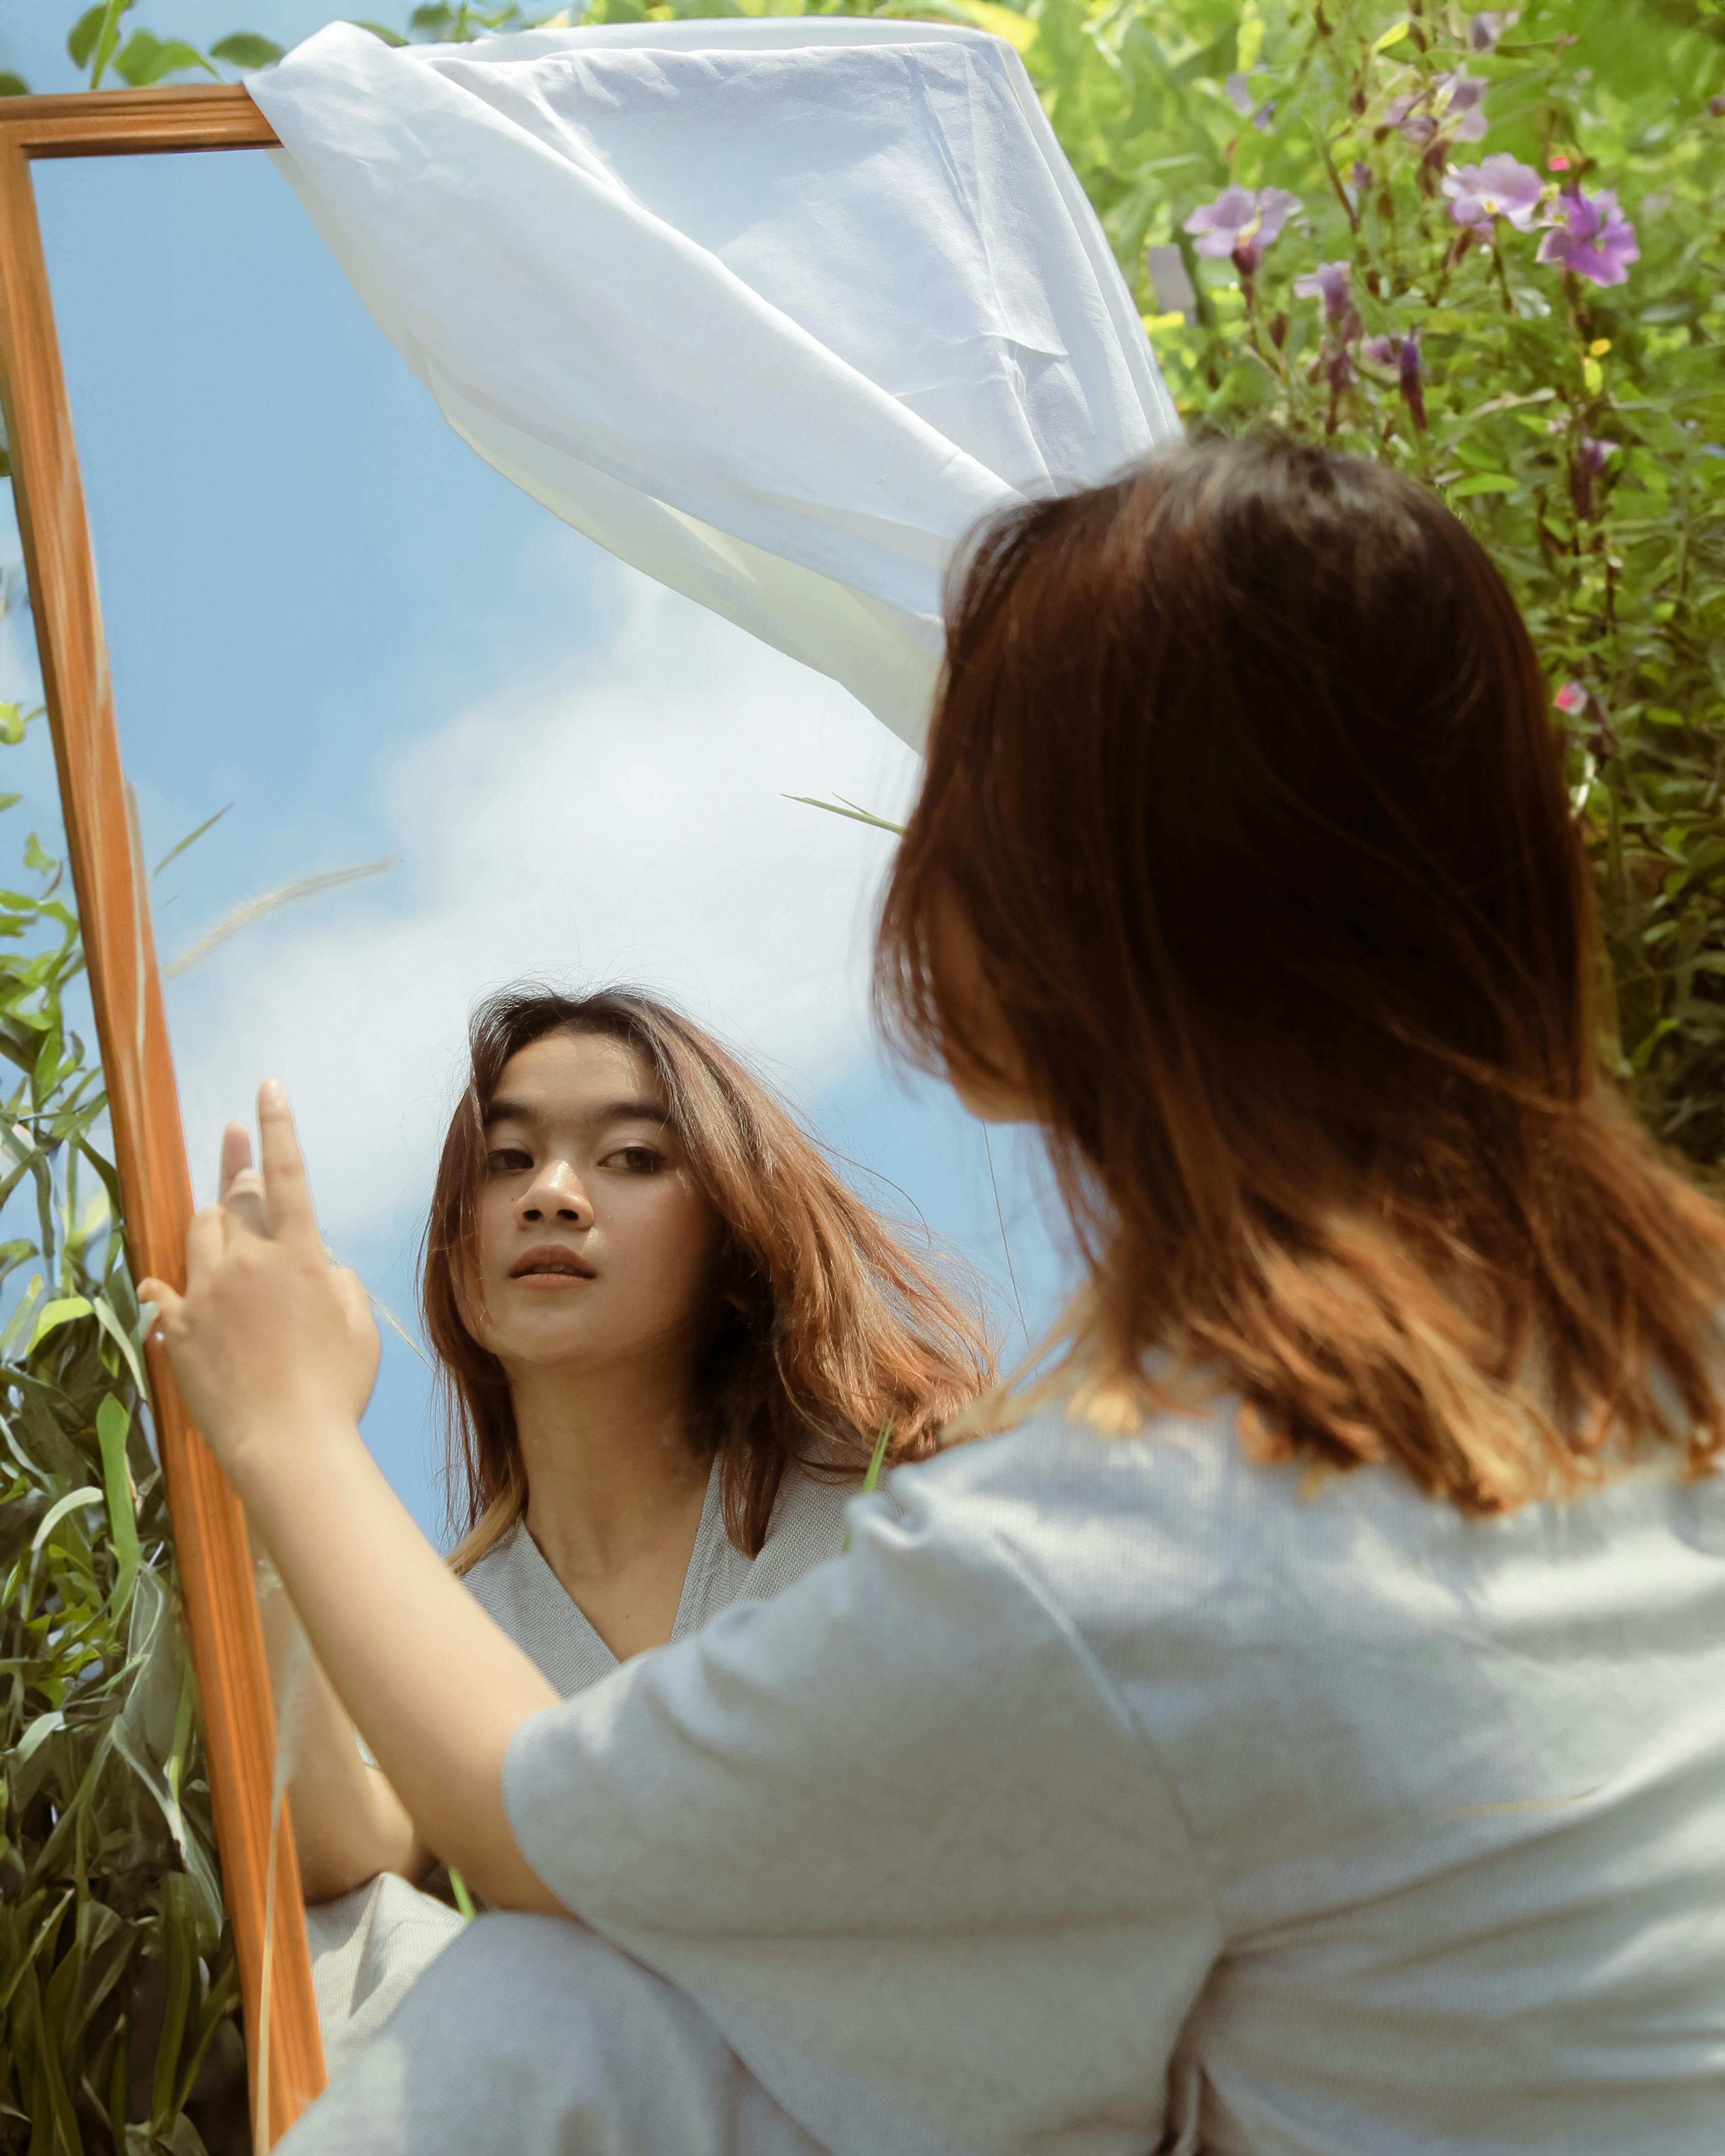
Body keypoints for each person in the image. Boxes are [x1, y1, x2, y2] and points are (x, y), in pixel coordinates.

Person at [148, 437, 1725, 2154]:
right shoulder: (1647, 1355)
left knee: (546, 2007)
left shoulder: (1084, 1559)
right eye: (507, 1156)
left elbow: (541, 1838)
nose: (552, 1195)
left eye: (960, 783)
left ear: (1061, 911)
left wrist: (293, 1428)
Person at [252, 984, 992, 2067]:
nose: (551, 1196)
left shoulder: (894, 1499)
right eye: (506, 1162)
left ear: (733, 1233)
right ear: (457, 1258)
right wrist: (264, 1452)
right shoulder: (448, 1620)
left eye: (632, 1158)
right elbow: (339, 1848)